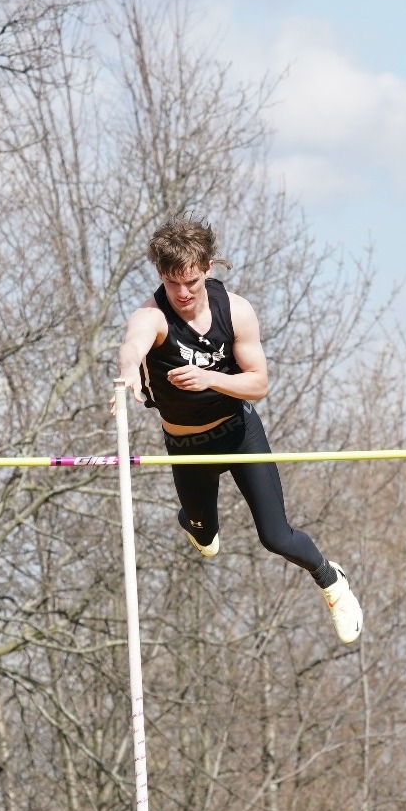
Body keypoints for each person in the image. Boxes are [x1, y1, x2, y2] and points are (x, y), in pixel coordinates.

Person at [114, 220, 363, 645]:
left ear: (207, 268)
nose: (184, 293)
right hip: (186, 446)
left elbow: (259, 384)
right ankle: (194, 522)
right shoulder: (152, 316)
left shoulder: (236, 311)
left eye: (191, 281)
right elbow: (132, 345)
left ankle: (330, 579)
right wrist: (127, 378)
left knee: (276, 537)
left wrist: (210, 379)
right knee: (204, 535)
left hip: (238, 433)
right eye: (173, 284)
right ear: (161, 276)